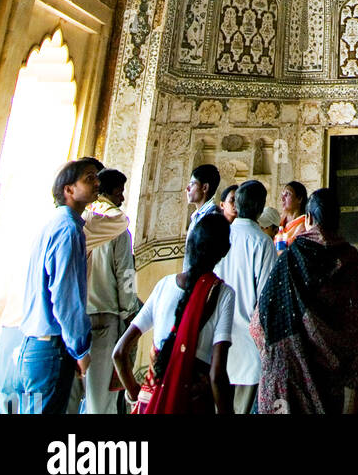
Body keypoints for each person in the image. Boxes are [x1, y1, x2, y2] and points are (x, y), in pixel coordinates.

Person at [250, 187, 358, 414]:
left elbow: (261, 319)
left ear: (308, 218)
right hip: (332, 383)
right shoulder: (350, 259)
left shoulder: (292, 256)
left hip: (289, 375)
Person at [113, 211, 234, 415]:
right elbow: (216, 375)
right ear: (224, 251)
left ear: (190, 247)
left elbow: (119, 353)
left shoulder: (164, 285)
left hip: (149, 402)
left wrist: (135, 394)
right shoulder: (222, 293)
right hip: (191, 404)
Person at [17, 158, 99, 414]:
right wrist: (80, 349)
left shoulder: (54, 224)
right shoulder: (68, 230)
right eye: (89, 178)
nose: (97, 183)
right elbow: (66, 298)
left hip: (35, 345)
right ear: (69, 189)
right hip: (51, 349)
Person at [214, 179, 275, 414]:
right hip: (249, 349)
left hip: (218, 345)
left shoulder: (219, 236)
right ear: (261, 208)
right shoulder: (262, 242)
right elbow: (265, 300)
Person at [81, 167, 139, 414]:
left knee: (76, 393)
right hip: (105, 315)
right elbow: (125, 272)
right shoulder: (116, 223)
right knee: (101, 400)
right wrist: (130, 312)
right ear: (111, 191)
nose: (122, 198)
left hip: (77, 315)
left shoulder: (81, 216)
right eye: (120, 192)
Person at [183, 164, 220, 270]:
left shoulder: (212, 219)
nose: (187, 189)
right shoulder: (197, 216)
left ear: (205, 187)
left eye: (192, 184)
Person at [273, 180, 307, 253]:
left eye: (287, 194)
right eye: (282, 195)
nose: (282, 199)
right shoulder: (278, 221)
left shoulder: (305, 225)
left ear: (299, 199)